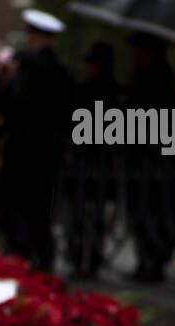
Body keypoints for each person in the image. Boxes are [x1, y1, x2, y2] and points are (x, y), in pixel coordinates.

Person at [0, 9, 73, 272]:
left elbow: (15, 104)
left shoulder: (26, 65)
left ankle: (21, 254)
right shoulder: (62, 71)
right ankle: (44, 257)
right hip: (49, 151)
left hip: (23, 148)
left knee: (18, 203)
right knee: (42, 208)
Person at [123, 31, 175, 283]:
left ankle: (152, 261)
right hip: (144, 155)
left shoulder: (158, 78)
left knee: (150, 210)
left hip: (152, 156)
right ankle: (148, 260)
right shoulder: (146, 76)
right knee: (143, 210)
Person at [63, 41, 118, 278]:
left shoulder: (101, 92)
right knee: (82, 214)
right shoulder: (96, 91)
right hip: (88, 159)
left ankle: (86, 256)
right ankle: (84, 256)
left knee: (88, 214)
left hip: (94, 159)